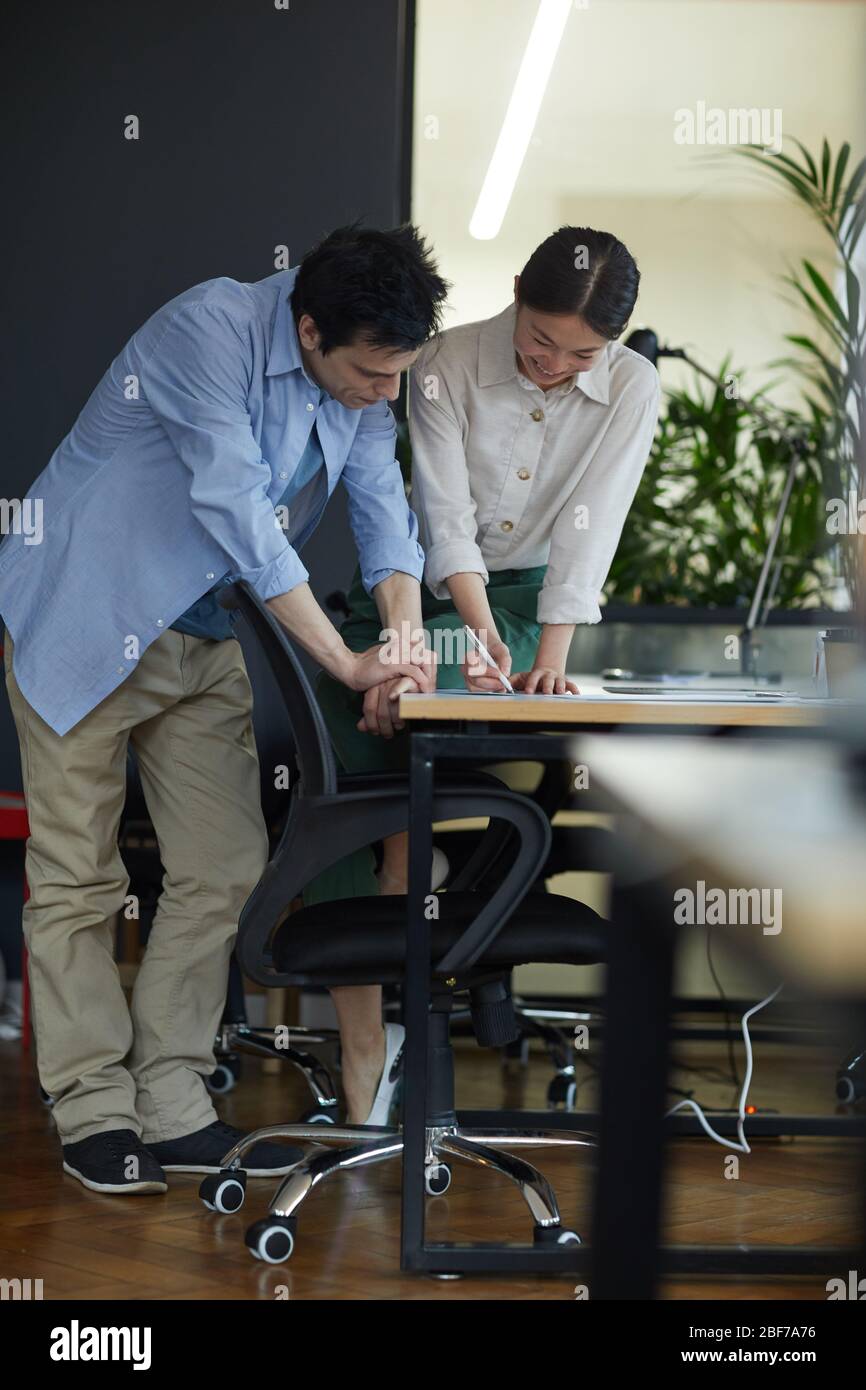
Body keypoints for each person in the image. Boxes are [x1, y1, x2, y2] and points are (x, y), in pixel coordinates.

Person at [0, 223, 447, 1192]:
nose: (387, 393)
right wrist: (344, 661)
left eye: (399, 374)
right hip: (88, 614)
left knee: (225, 864)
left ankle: (169, 1096)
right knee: (79, 873)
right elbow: (239, 511)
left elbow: (382, 514)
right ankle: (90, 1104)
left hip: (203, 634)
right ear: (307, 327)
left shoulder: (366, 382)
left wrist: (402, 643)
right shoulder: (205, 329)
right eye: (371, 372)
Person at [307, 226, 661, 1122]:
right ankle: (363, 1039)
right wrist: (451, 640)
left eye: (581, 352)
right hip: (432, 590)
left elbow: (593, 524)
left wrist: (546, 663)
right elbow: (443, 513)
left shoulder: (630, 386)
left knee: (410, 723)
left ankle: (406, 866)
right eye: (540, 341)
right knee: (336, 748)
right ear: (513, 296)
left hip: (532, 608)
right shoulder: (446, 361)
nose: (553, 365)